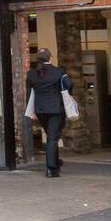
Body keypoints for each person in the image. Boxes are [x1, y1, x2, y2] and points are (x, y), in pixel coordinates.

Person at [26, 48, 71, 178]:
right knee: (52, 138)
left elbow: (29, 94)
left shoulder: (31, 74)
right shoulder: (58, 72)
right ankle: (51, 168)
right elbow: (68, 85)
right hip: (56, 109)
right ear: (50, 58)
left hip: (40, 110)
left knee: (52, 136)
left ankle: (55, 163)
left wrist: (32, 111)